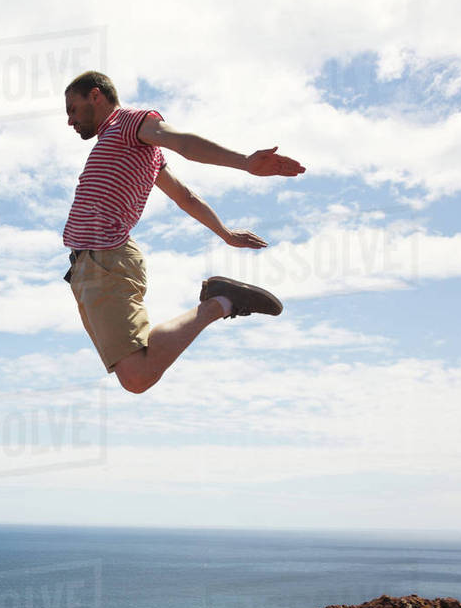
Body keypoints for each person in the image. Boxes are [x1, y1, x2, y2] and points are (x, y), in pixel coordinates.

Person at [62, 70, 305, 394]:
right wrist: (225, 234)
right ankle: (221, 300)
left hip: (106, 258)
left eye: (72, 109)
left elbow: (183, 143)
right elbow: (185, 197)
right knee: (135, 375)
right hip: (88, 269)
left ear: (95, 95)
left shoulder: (132, 123)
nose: (70, 121)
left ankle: (221, 302)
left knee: (137, 376)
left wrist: (245, 162)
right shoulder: (131, 147)